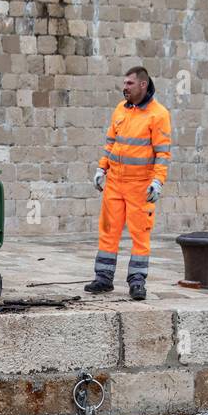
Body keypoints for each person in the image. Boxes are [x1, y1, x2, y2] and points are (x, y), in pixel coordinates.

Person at [87, 66, 172, 301]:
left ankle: (137, 281)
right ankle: (103, 278)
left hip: (140, 186)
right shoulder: (120, 110)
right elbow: (111, 142)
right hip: (114, 182)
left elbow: (162, 153)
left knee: (140, 234)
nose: (124, 87)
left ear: (143, 85)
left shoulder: (159, 114)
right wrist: (101, 167)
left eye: (129, 84)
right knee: (108, 231)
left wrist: (157, 181)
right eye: (124, 83)